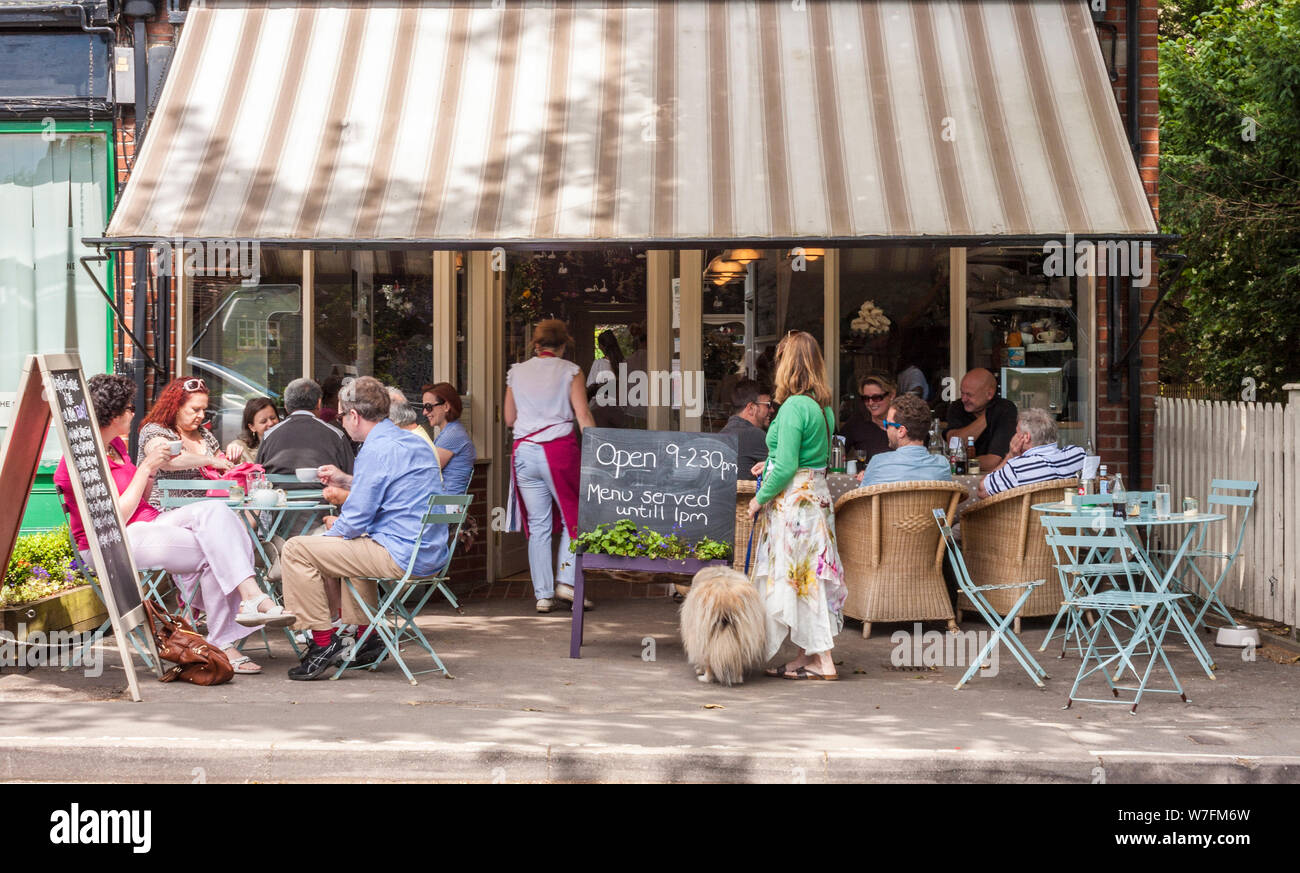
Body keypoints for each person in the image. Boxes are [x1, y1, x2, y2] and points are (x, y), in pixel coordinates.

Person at [55, 374, 295, 675]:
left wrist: (149, 473)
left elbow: (139, 496)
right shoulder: (83, 459)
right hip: (109, 541)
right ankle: (224, 638)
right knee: (215, 547)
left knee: (216, 511)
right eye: (129, 408)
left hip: (148, 522)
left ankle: (251, 597)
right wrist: (147, 465)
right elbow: (113, 518)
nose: (133, 412)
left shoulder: (115, 445)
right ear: (113, 414)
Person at [280, 377, 447, 680]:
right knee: (349, 548)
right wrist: (345, 481)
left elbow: (355, 520)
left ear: (354, 416)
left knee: (296, 549)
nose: (342, 421)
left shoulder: (375, 448)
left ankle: (323, 643)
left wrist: (329, 537)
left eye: (342, 416)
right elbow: (389, 487)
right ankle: (365, 636)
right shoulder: (413, 441)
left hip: (399, 554)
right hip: (429, 553)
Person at [746, 331, 846, 681]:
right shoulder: (823, 408)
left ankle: (825, 661)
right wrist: (769, 463)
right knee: (810, 578)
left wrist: (758, 500)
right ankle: (808, 656)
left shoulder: (791, 408)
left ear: (787, 365)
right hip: (816, 499)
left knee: (798, 579)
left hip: (794, 505)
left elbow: (787, 467)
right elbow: (808, 460)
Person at [505, 319, 597, 614]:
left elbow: (509, 418)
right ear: (563, 345)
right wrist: (600, 448)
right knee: (575, 517)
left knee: (539, 524)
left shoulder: (516, 372)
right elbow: (582, 414)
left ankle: (543, 594)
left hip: (524, 452)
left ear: (536, 344)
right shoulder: (571, 371)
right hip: (558, 449)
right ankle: (567, 583)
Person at [137, 377, 232, 510]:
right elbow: (166, 460)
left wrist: (232, 455)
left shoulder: (204, 434)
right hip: (163, 514)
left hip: (205, 513)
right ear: (176, 407)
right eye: (196, 409)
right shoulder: (154, 431)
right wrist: (210, 460)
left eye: (204, 410)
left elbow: (222, 465)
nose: (202, 415)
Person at [256, 377, 355, 478]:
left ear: (286, 406)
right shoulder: (336, 435)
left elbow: (256, 476)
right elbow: (351, 478)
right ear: (319, 403)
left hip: (279, 492)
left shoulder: (269, 436)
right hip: (327, 493)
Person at [978, 408, 1085, 498]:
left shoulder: (1017, 468)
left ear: (1026, 437)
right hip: (1067, 521)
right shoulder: (1077, 455)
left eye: (1017, 432)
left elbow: (982, 490)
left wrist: (1010, 456)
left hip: (1025, 522)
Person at [856, 393, 953, 486]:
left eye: (888, 424)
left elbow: (863, 500)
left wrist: (869, 475)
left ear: (901, 431)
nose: (886, 428)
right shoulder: (942, 465)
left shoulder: (878, 463)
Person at [944, 368, 1018, 471]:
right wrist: (986, 418)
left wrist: (960, 463)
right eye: (962, 393)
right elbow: (954, 445)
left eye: (969, 395)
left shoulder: (1005, 409)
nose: (964, 399)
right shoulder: (957, 407)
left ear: (989, 394)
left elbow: (993, 462)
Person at [423, 382, 477, 495]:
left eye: (428, 407)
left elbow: (427, 470)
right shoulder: (451, 431)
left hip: (446, 506)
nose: (424, 412)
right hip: (443, 503)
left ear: (446, 406)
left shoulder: (453, 435)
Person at [721, 379, 772, 480]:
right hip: (752, 496)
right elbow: (783, 468)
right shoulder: (754, 435)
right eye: (768, 405)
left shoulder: (722, 433)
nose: (772, 410)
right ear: (751, 408)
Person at [839, 373, 895, 463]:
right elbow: (836, 450)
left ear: (892, 395)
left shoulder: (905, 423)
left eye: (876, 398)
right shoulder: (856, 423)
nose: (870, 403)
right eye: (865, 398)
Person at [587, 330, 626, 428]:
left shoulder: (598, 364)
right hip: (619, 412)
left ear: (602, 346)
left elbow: (590, 387)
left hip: (599, 412)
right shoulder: (623, 364)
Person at [224, 397, 279, 464]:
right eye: (263, 421)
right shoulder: (243, 449)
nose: (270, 423)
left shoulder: (289, 441)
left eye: (273, 418)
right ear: (252, 427)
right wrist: (233, 451)